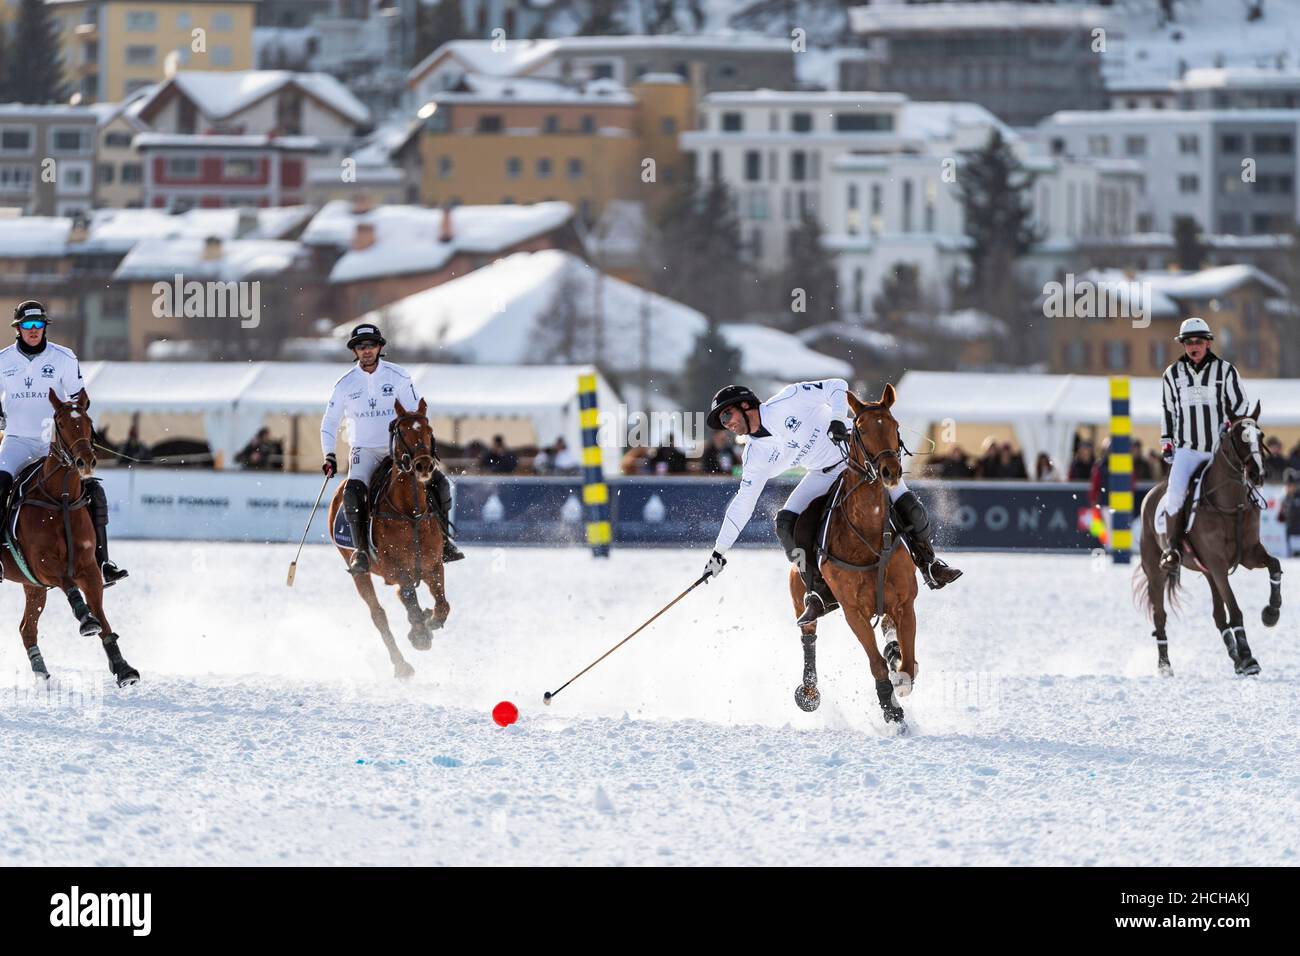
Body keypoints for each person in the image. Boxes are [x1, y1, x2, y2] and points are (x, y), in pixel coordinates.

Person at [699, 380, 962, 626]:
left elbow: (837, 386)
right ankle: (817, 592)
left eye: (726, 416)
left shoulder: (788, 399)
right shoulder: (755, 455)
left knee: (909, 507)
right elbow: (743, 502)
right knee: (785, 524)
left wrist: (837, 419)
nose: (726, 425)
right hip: (822, 472)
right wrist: (719, 552)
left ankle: (930, 564)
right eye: (722, 421)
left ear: (746, 405)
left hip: (860, 460)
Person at [0, 301, 127, 586]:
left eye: (38, 325)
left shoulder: (64, 358)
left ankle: (102, 561)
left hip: (55, 446)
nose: (33, 331)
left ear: (44, 326)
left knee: (94, 490)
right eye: (27, 326)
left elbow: (80, 398)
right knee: (0, 483)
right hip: (18, 442)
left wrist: (78, 427)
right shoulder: (3, 360)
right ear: (18, 329)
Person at [321, 322, 464, 574]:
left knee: (440, 484)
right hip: (364, 450)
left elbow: (416, 415)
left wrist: (423, 450)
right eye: (361, 347)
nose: (367, 351)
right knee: (353, 492)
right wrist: (329, 455)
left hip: (398, 451)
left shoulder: (398, 376)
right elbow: (330, 422)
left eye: (371, 346)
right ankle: (362, 552)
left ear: (380, 347)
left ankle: (445, 542)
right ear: (355, 351)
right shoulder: (344, 384)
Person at [1158, 316, 1251, 570]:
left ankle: (1250, 541)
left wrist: (1234, 428)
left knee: (1249, 489)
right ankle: (1172, 549)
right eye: (1188, 342)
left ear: (1208, 343)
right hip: (1188, 450)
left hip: (1219, 451)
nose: (1193, 346)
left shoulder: (1226, 371)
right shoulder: (1172, 375)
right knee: (1175, 495)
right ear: (1183, 345)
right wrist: (1167, 442)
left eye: (1198, 341)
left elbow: (1241, 406)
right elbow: (1168, 410)